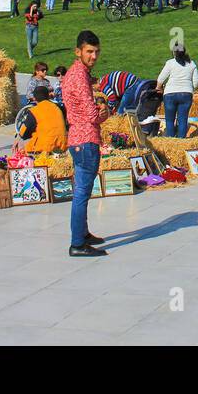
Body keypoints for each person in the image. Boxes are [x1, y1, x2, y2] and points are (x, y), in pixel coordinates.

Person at [63, 30, 109, 257]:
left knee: (84, 190)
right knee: (81, 192)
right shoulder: (79, 75)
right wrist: (105, 112)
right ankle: (77, 243)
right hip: (85, 138)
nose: (93, 56)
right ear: (78, 51)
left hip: (78, 138)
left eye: (96, 52)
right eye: (89, 52)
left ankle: (82, 233)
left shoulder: (74, 73)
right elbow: (92, 114)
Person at [156, 44, 198, 138]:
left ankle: (171, 141)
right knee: (183, 120)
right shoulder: (192, 63)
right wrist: (192, 88)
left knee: (170, 120)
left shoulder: (170, 63)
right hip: (186, 94)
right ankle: (181, 141)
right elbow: (195, 83)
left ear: (174, 52)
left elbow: (161, 78)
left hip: (170, 94)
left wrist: (159, 88)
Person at [18, 83, 68, 153]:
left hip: (45, 148)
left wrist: (17, 140)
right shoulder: (59, 107)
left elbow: (24, 132)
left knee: (22, 145)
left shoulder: (34, 111)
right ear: (48, 97)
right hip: (63, 145)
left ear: (34, 98)